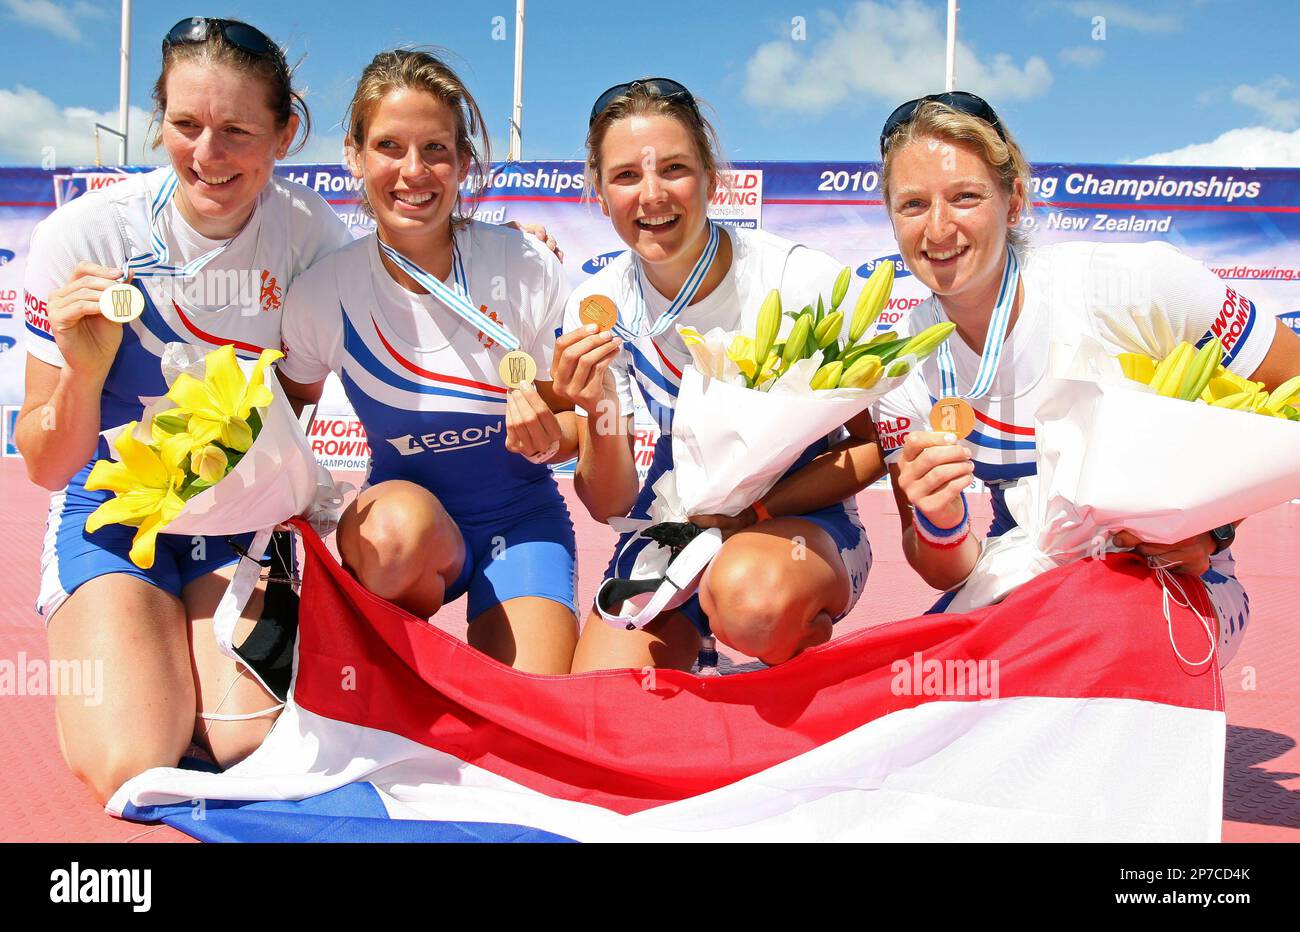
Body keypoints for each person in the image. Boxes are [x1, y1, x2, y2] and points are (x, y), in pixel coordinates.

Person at [16, 17, 353, 803]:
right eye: (185, 125)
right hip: (111, 509)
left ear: (285, 132)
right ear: (159, 118)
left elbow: (306, 395)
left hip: (237, 518)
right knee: (131, 765)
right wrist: (82, 370)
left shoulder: (310, 236)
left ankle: (193, 657)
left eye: (237, 130)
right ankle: (149, 647)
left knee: (252, 744)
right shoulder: (85, 234)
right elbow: (46, 463)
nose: (208, 155)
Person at [873, 91, 1300, 664]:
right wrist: (942, 522)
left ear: (1014, 199)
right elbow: (943, 569)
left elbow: (1289, 380)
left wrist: (1213, 531)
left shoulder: (1132, 287)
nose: (939, 227)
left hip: (1177, 585)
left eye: (965, 196)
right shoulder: (901, 367)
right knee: (915, 694)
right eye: (913, 205)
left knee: (1094, 649)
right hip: (1021, 579)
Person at [552, 78, 880, 673]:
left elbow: (873, 446)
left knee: (753, 601)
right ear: (599, 194)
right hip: (672, 531)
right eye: (626, 176)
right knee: (605, 702)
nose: (652, 195)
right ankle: (708, 669)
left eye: (674, 168)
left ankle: (787, 681)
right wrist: (597, 404)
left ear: (712, 177)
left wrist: (752, 515)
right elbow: (610, 502)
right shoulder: (597, 305)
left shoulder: (798, 280)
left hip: (799, 531)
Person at [277, 49, 580, 674]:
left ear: (463, 161)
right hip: (405, 533)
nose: (413, 171)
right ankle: (403, 666)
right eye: (389, 146)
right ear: (355, 157)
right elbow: (292, 404)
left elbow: (575, 432)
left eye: (436, 149)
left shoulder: (524, 265)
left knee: (527, 717)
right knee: (391, 538)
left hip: (519, 521)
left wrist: (548, 441)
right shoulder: (318, 293)